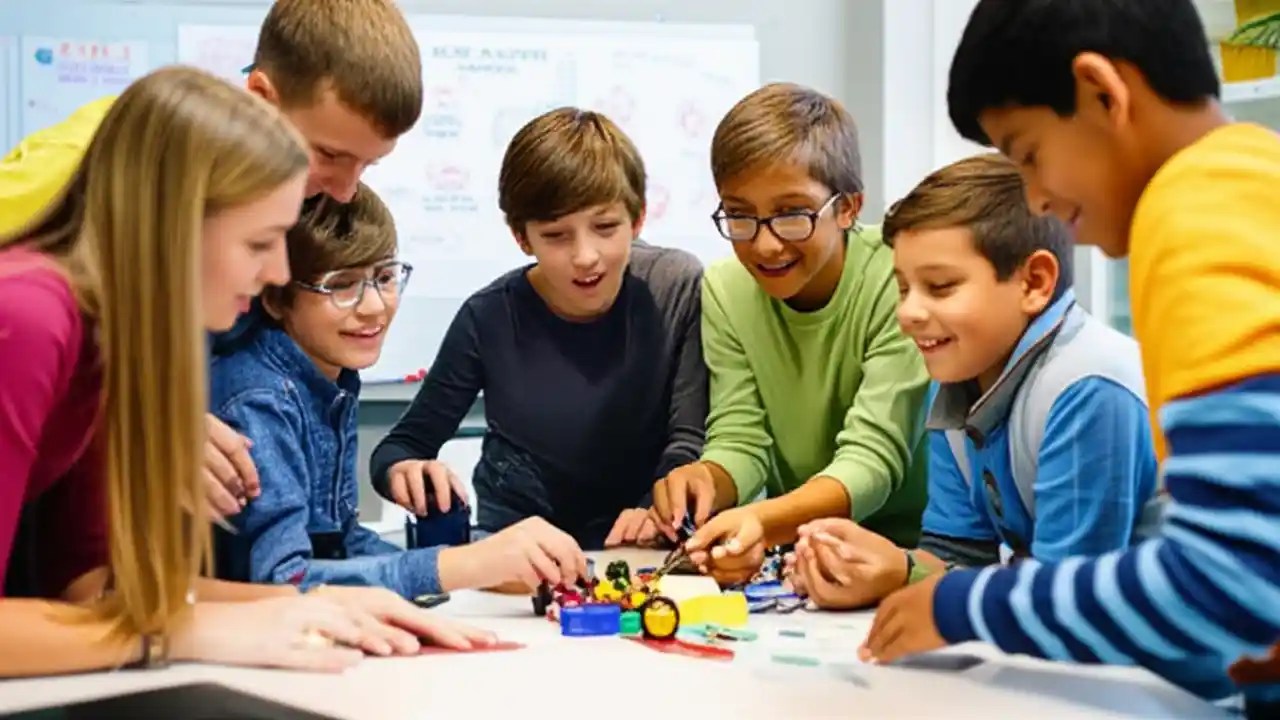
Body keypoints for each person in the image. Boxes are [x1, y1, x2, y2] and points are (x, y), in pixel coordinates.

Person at [0, 66, 490, 679]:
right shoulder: (28, 317)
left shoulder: (112, 344)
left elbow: (88, 587)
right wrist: (184, 631)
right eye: (260, 243)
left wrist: (312, 602)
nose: (277, 274)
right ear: (173, 228)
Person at [861, 0, 1280, 713]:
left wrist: (963, 605)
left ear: (1102, 94)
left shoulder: (1196, 208)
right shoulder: (1252, 177)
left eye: (1027, 154)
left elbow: (1229, 582)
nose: (1036, 199)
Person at [0, 0, 423, 518]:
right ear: (262, 97)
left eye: (368, 165)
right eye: (329, 155)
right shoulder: (92, 159)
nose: (345, 191)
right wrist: (146, 416)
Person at [788, 152, 1162, 620]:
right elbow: (958, 554)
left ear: (1034, 283)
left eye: (940, 286)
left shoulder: (1089, 389)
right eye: (903, 288)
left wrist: (909, 578)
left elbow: (1062, 599)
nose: (908, 313)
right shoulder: (959, 380)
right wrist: (883, 568)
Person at [212, 184, 588, 595]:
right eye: (341, 285)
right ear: (275, 297)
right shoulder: (260, 400)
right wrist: (461, 566)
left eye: (385, 277)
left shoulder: (329, 377)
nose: (374, 306)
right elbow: (285, 581)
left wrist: (481, 561)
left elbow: (340, 544)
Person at [370, 107, 707, 552]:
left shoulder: (674, 286)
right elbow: (404, 445)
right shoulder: (488, 317)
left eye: (606, 227)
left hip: (641, 541)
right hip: (518, 544)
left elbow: (689, 438)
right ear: (522, 237)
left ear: (638, 218)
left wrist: (657, 507)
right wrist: (403, 471)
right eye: (556, 236)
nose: (585, 256)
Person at [650, 83, 930, 585]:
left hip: (907, 555)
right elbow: (740, 437)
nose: (765, 244)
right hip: (799, 557)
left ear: (848, 208)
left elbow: (873, 457)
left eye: (791, 214)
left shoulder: (899, 277)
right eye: (739, 215)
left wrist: (761, 521)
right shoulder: (726, 288)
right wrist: (705, 479)